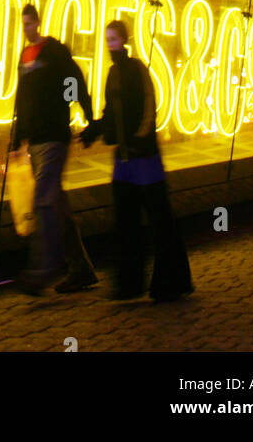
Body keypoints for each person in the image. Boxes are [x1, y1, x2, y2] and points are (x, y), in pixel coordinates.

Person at [81, 19, 193, 302]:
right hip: (126, 159)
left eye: (114, 39)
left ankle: (167, 282)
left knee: (158, 221)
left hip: (143, 159)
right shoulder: (112, 73)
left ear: (125, 41)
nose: (110, 45)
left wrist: (138, 138)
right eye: (107, 40)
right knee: (127, 221)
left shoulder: (136, 68)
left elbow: (147, 105)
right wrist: (94, 130)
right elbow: (110, 112)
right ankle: (131, 283)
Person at [10, 3, 98, 295]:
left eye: (29, 24)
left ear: (38, 23)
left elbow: (75, 81)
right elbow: (22, 99)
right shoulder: (25, 58)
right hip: (37, 142)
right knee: (55, 206)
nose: (26, 29)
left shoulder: (54, 52)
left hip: (53, 139)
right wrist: (18, 138)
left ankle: (43, 270)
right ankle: (80, 269)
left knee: (45, 202)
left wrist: (88, 117)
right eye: (22, 25)